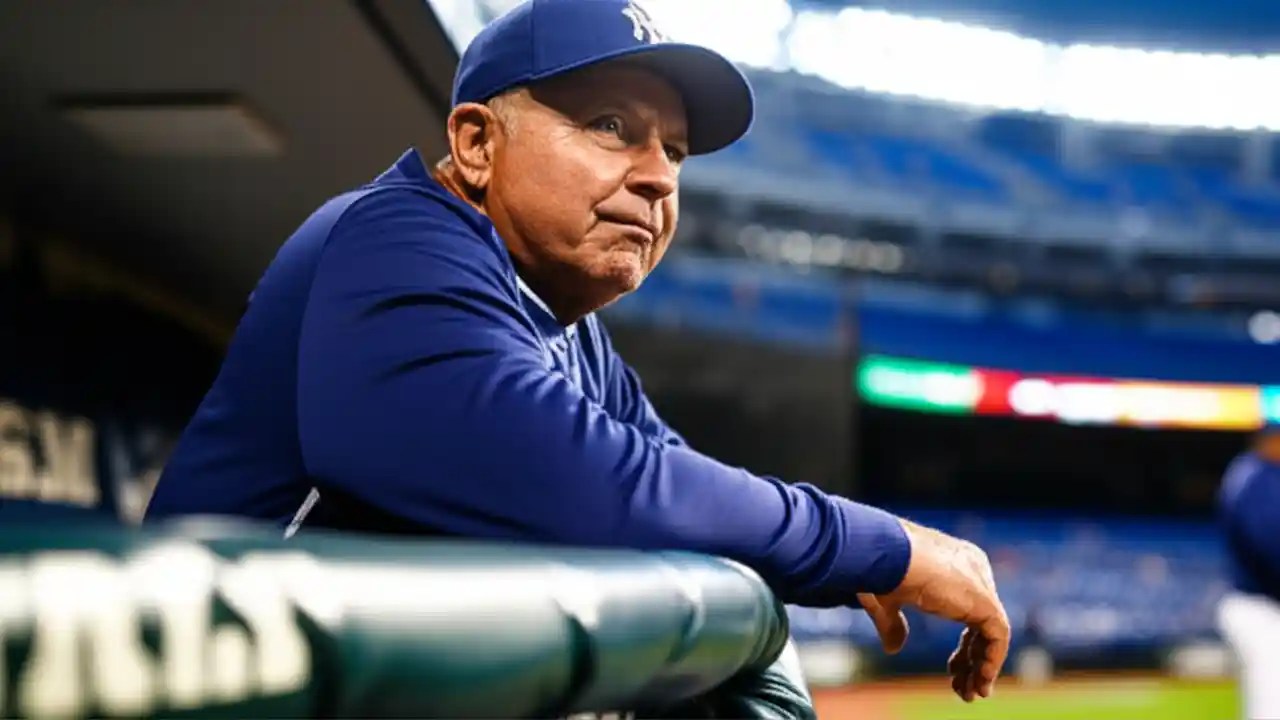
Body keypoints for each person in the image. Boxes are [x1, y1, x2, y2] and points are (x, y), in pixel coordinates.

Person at [145, 0, 1009, 704]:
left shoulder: (568, 327)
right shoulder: (391, 235)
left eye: (672, 149)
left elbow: (667, 473)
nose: (660, 176)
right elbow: (578, 477)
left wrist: (822, 556)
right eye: (609, 126)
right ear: (479, 144)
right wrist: (875, 545)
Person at [1216, 424, 1280, 719]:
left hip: (1257, 603)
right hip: (1262, 608)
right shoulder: (1260, 478)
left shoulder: (1248, 473)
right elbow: (1270, 542)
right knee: (1271, 705)